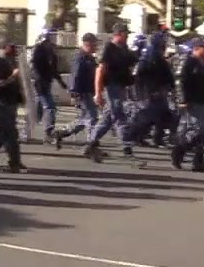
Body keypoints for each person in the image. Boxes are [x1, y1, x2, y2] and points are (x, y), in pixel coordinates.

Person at [83, 24, 141, 164]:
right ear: (119, 34)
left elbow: (133, 62)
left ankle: (91, 144)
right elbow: (100, 70)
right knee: (119, 116)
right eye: (126, 33)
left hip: (121, 87)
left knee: (108, 118)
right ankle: (127, 150)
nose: (128, 36)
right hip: (111, 87)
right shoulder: (109, 48)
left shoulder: (124, 49)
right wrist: (98, 93)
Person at [172, 37, 204, 172]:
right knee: (198, 130)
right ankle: (178, 151)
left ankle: (198, 162)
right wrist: (182, 100)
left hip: (201, 100)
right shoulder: (188, 62)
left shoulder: (202, 63)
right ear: (197, 48)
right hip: (192, 101)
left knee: (202, 133)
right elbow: (180, 81)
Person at [53, 34, 102, 151]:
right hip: (82, 92)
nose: (96, 46)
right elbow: (75, 75)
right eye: (95, 43)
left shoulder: (90, 58)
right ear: (88, 44)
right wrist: (74, 92)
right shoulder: (80, 57)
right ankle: (92, 144)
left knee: (85, 118)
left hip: (88, 91)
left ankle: (62, 132)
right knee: (92, 116)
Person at [0, 42, 27, 172]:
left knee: (9, 132)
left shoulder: (15, 64)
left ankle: (14, 161)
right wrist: (12, 77)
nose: (14, 52)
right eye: (12, 48)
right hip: (2, 101)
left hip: (11, 101)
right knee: (7, 131)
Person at [30, 28, 69, 142]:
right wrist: (39, 79)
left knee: (38, 108)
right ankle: (49, 130)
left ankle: (30, 128)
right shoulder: (38, 50)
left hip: (47, 82)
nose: (53, 39)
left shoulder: (52, 52)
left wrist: (61, 82)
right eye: (50, 37)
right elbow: (35, 66)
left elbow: (53, 69)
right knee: (50, 107)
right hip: (40, 82)